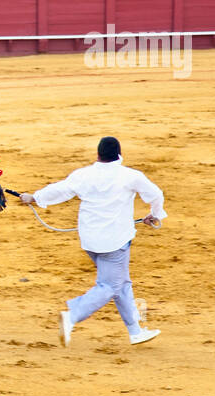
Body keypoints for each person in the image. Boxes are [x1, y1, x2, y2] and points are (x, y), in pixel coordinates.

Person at [18, 136, 164, 347]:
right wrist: (155, 214)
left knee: (121, 283)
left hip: (89, 240)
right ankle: (72, 315)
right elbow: (156, 195)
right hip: (115, 242)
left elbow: (60, 189)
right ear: (119, 156)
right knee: (109, 285)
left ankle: (135, 331)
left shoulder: (84, 175)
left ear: (98, 155)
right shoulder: (130, 176)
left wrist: (34, 197)